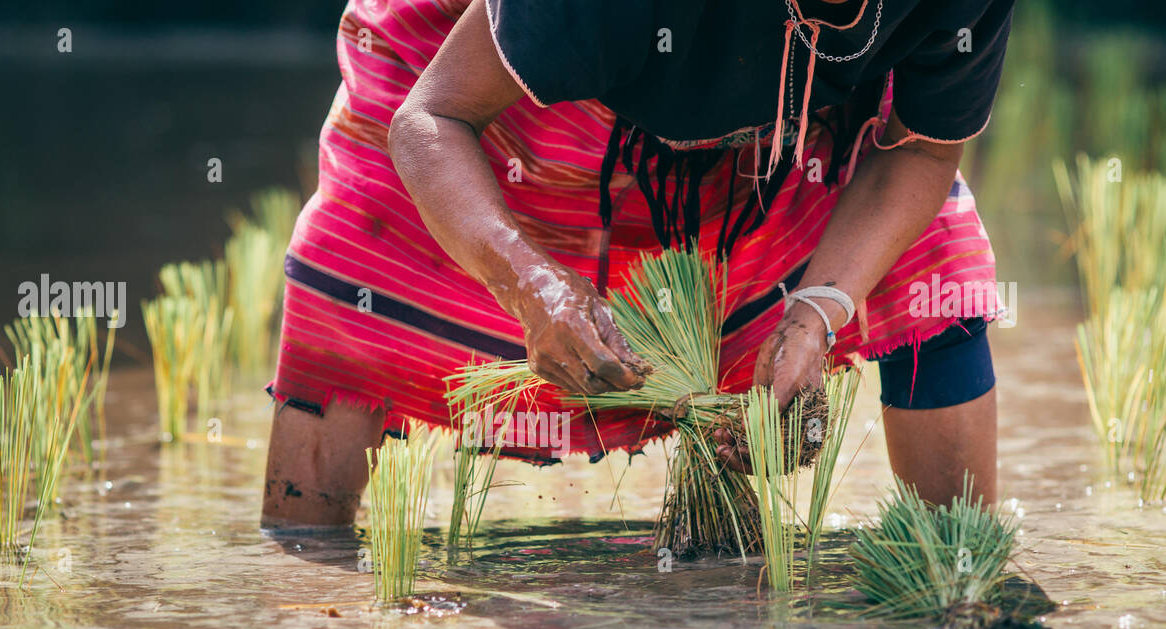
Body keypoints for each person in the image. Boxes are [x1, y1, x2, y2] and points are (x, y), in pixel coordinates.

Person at [262, 0, 1013, 529]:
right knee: (360, 271)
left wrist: (818, 308)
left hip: (779, 129)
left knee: (932, 260)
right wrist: (530, 287)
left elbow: (920, 149)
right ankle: (303, 578)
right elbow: (432, 119)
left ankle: (961, 582)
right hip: (505, 98)